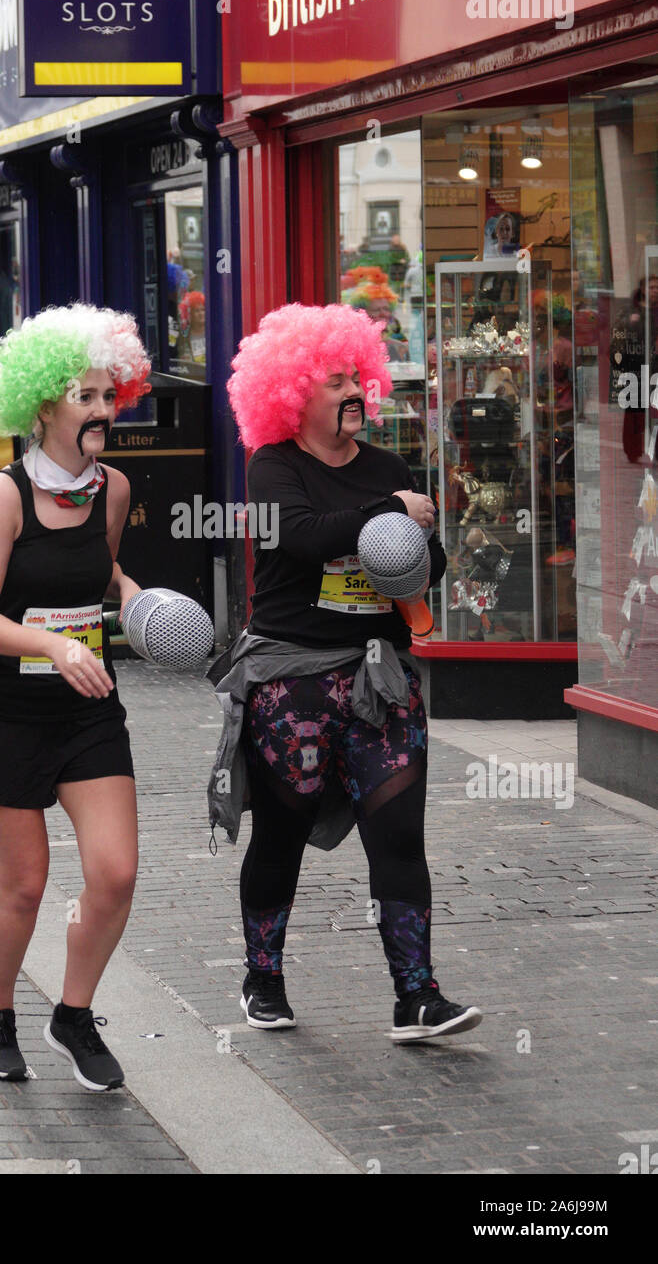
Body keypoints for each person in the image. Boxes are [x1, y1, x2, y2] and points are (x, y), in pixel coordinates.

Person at [209, 303, 482, 1042]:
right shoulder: (274, 467)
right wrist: (389, 513)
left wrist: (416, 541)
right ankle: (263, 976)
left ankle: (417, 998)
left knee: (399, 838)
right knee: (282, 838)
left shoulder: (389, 467)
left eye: (357, 376)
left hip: (381, 682)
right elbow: (299, 538)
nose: (354, 391)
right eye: (335, 381)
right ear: (293, 393)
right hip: (293, 684)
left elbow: (428, 564)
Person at [0, 304, 150, 1090]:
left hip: (87, 704)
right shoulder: (3, 495)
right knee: (25, 882)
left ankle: (73, 1015)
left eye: (108, 395)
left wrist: (131, 595)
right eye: (84, 397)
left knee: (115, 872)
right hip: (6, 709)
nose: (102, 411)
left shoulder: (115, 490)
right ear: (42, 406)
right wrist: (53, 643)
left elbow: (96, 572)